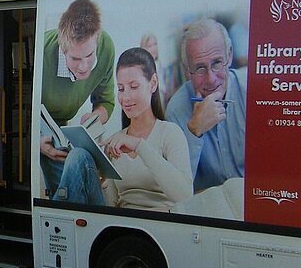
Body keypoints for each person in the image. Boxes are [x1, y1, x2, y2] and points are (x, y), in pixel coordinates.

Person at [40, 0, 115, 201]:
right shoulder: (42, 53)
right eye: (75, 59)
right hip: (39, 124)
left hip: (65, 130)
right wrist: (36, 143)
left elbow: (106, 102)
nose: (84, 67)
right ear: (63, 48)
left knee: (78, 164)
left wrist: (95, 118)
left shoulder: (106, 46)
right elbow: (21, 108)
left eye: (89, 55)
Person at [99, 47, 192, 210]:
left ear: (153, 83)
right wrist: (104, 182)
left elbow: (184, 195)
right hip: (124, 226)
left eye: (134, 86)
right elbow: (112, 206)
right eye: (121, 89)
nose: (125, 97)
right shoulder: (116, 141)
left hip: (162, 224)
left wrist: (139, 146)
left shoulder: (170, 133)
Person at [165, 18, 246, 191]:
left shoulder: (252, 92)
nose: (211, 79)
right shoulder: (176, 110)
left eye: (217, 63)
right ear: (187, 71)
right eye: (200, 68)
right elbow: (176, 189)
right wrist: (194, 130)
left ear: (229, 55)